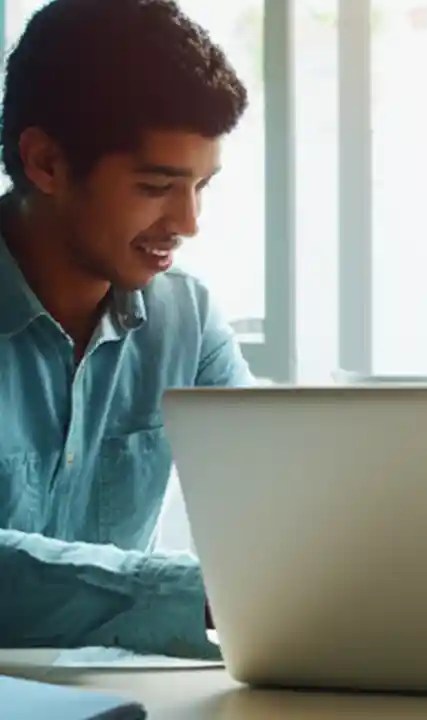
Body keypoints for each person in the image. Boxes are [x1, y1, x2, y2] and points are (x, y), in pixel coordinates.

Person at [0, 0, 252, 659]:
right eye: (155, 185)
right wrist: (206, 593)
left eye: (202, 186)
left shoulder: (188, 322)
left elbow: (277, 504)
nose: (189, 222)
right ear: (46, 163)